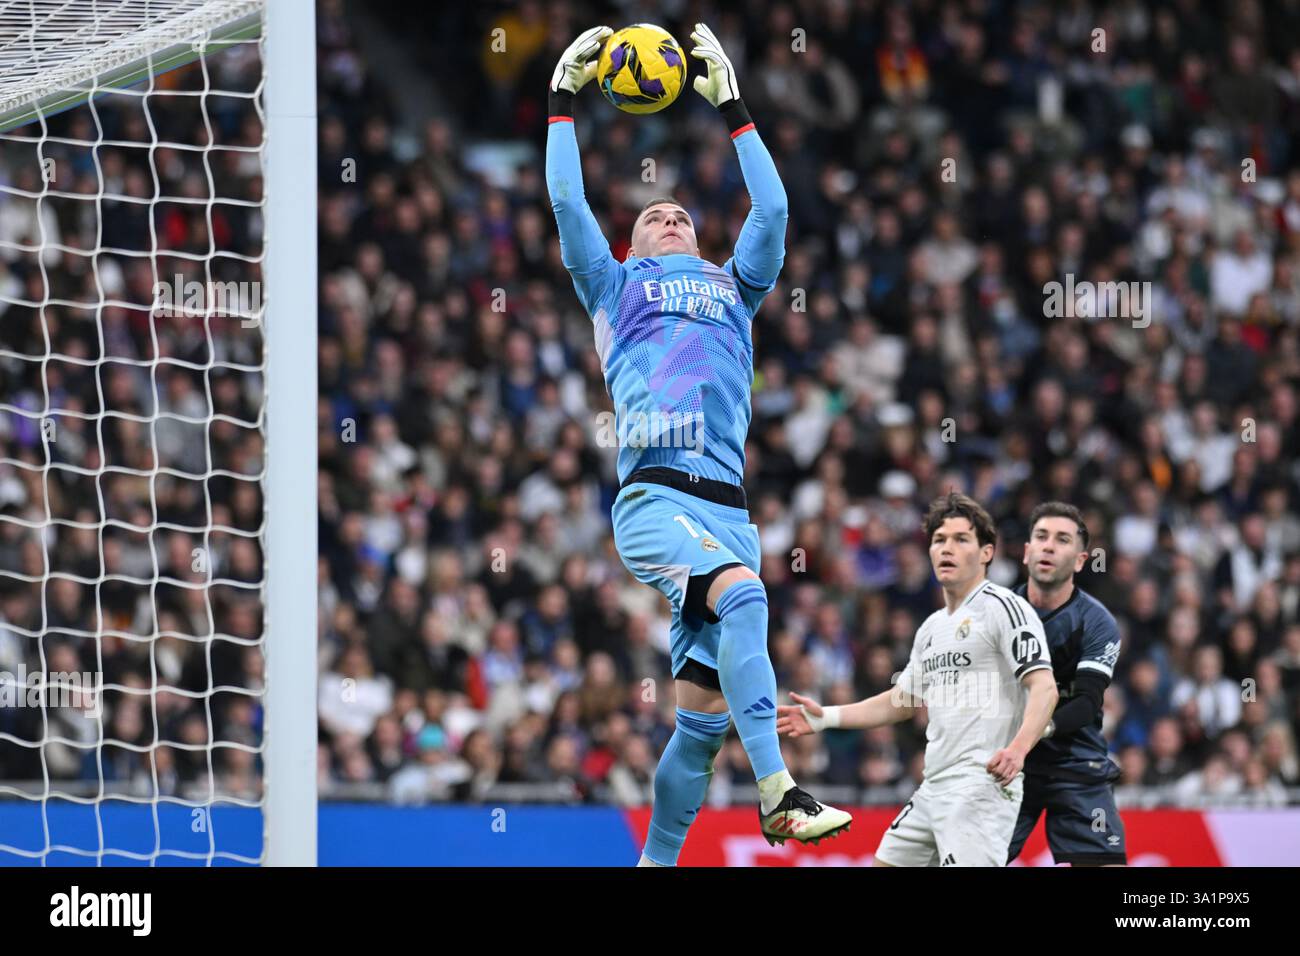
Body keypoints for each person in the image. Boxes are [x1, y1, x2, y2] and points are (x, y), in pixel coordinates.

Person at [545, 23, 852, 867]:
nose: (671, 216)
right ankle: (780, 790)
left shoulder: (735, 287)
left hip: (730, 509)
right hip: (655, 497)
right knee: (747, 597)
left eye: (681, 213)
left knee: (700, 724)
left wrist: (732, 103)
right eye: (654, 215)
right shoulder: (611, 287)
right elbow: (569, 205)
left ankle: (655, 863)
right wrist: (561, 104)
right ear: (632, 244)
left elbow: (777, 209)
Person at [778, 493, 1058, 866]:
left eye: (961, 540)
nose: (947, 548)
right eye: (940, 539)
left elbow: (1044, 686)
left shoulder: (1005, 608)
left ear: (987, 552)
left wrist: (1019, 749)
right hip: (933, 787)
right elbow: (902, 702)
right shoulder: (931, 628)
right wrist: (825, 717)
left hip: (981, 786)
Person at [1006, 501, 1127, 865]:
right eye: (1041, 537)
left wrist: (1036, 731)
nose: (1048, 546)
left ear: (1079, 560)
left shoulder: (1097, 622)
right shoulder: (996, 613)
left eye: (1062, 540)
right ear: (1027, 552)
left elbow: (1087, 702)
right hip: (1006, 765)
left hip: (1075, 764)